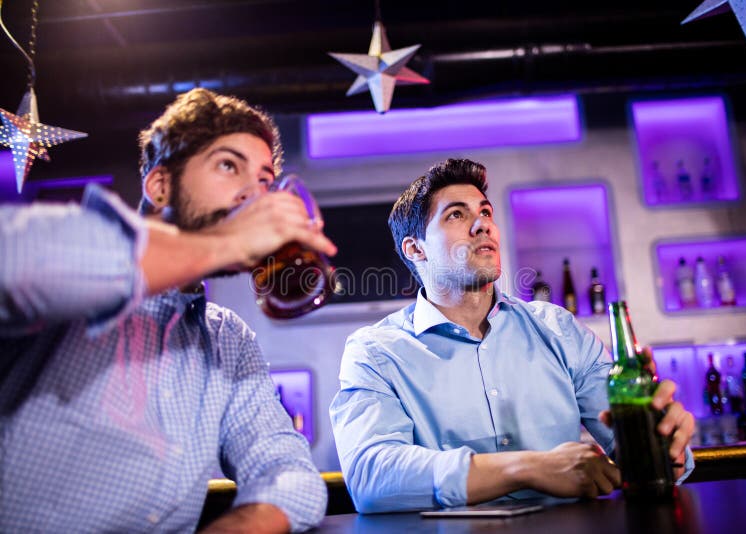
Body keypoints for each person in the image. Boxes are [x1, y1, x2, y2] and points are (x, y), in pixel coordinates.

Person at [0, 88, 337, 532]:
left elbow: (290, 472)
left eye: (264, 181)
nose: (253, 196)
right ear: (160, 187)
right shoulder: (74, 269)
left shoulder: (227, 340)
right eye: (228, 166)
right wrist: (225, 242)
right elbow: (17, 259)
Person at [329, 158, 695, 513]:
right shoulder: (375, 352)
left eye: (485, 212)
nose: (482, 225)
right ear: (415, 248)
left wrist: (663, 444)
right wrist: (530, 468)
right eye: (457, 214)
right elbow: (371, 478)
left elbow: (641, 453)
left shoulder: (558, 329)